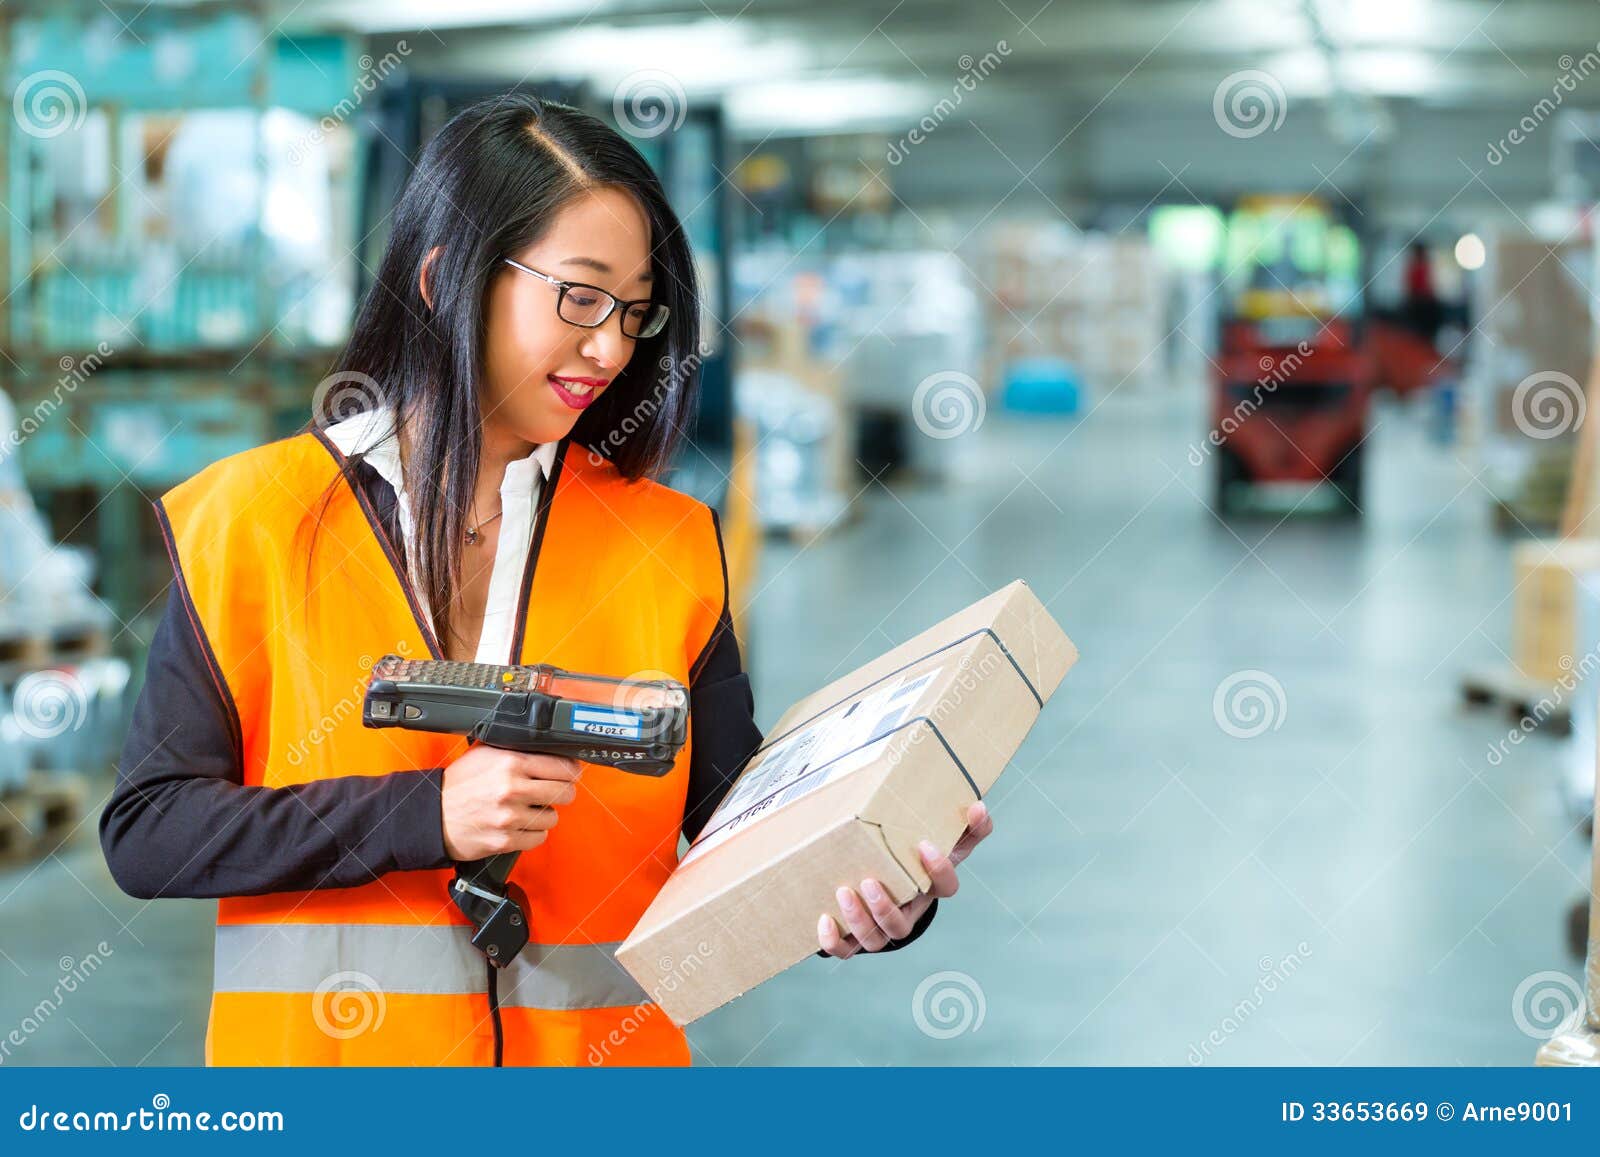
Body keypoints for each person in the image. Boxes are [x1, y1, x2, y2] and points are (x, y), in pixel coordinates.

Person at [100, 93, 992, 1067]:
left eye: (635, 308)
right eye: (580, 295)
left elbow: (737, 828)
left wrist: (869, 888)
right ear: (447, 280)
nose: (611, 347)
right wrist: (423, 814)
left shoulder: (663, 542)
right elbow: (152, 832)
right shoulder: (251, 523)